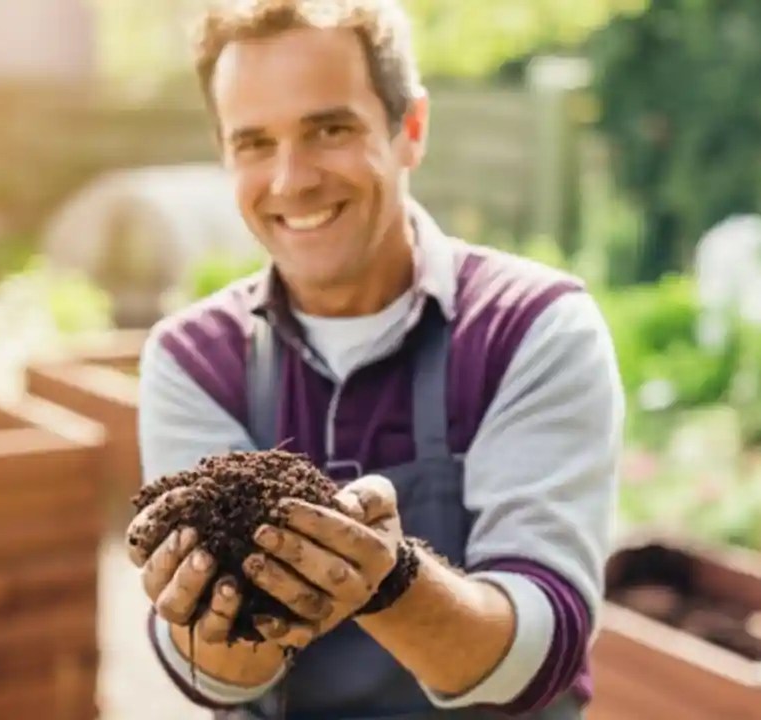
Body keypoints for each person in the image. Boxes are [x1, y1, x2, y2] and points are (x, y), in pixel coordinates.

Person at [126, 1, 624, 717]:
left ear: (409, 130)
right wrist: (205, 614)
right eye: (255, 143)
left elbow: (545, 641)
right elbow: (215, 676)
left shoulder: (532, 328)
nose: (292, 180)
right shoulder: (194, 358)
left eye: (329, 129)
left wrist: (394, 583)